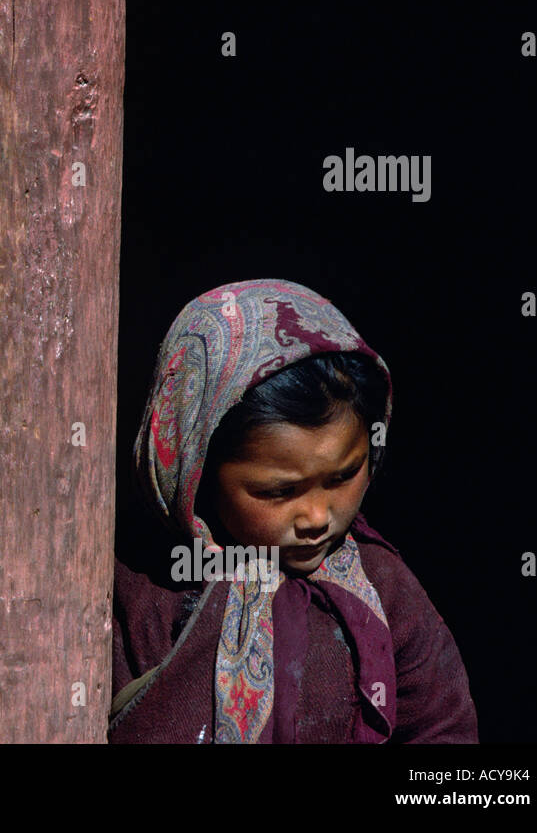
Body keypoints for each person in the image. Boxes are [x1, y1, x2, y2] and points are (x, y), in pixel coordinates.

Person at [110, 279, 477, 743]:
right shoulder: (141, 592)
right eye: (279, 491)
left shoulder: (384, 587)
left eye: (344, 476)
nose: (317, 517)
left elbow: (443, 731)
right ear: (194, 470)